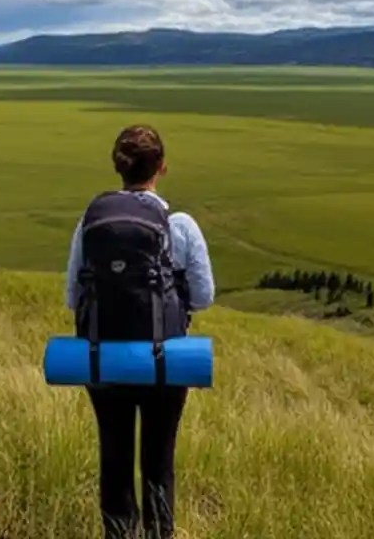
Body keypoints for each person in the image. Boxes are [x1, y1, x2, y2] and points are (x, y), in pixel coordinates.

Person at [65, 125, 215, 539]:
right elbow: (204, 297)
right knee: (158, 460)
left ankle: (117, 534)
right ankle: (159, 533)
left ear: (119, 167)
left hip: (103, 360)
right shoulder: (179, 225)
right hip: (164, 361)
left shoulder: (90, 222)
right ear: (162, 167)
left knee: (114, 458)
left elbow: (72, 296)